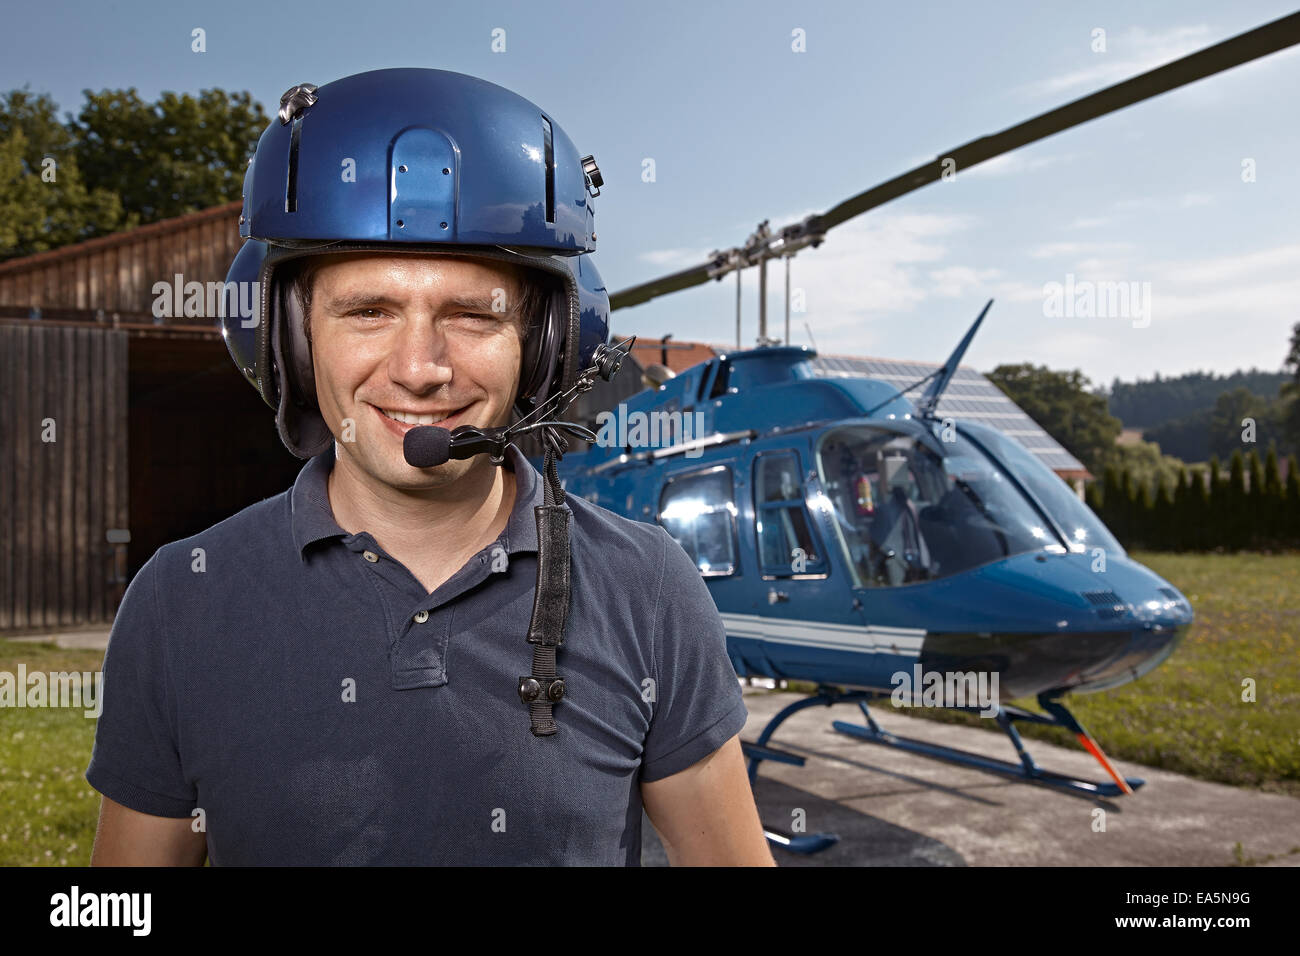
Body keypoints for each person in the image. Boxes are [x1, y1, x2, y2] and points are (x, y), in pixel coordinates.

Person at [85, 68, 773, 866]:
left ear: (547, 345)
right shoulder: (179, 598)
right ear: (290, 343)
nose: (420, 370)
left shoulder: (650, 588)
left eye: (473, 316)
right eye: (368, 311)